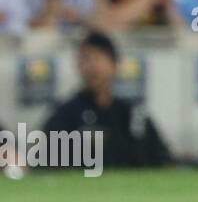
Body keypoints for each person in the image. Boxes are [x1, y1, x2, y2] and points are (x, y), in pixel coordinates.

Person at [44, 31, 171, 169]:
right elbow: (43, 162)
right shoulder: (65, 114)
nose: (92, 67)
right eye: (86, 59)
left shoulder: (132, 115)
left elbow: (163, 161)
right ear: (78, 65)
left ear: (114, 65)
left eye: (98, 59)